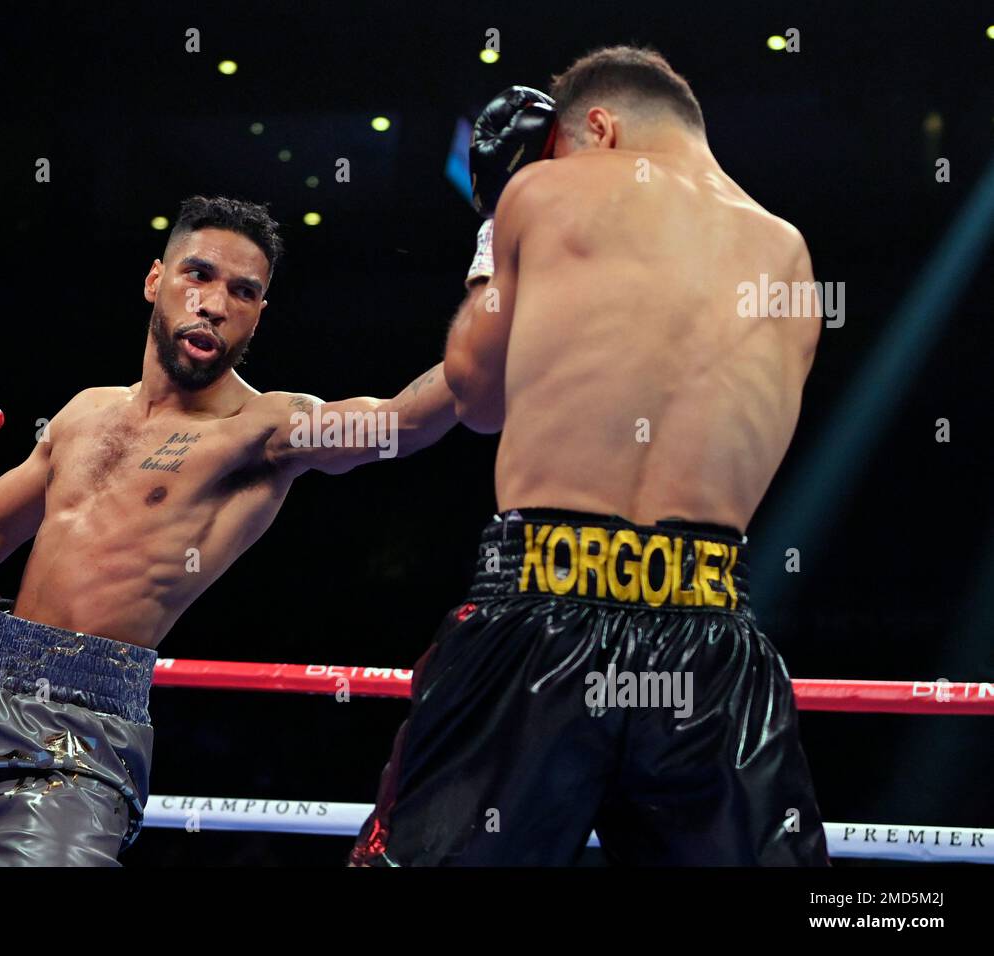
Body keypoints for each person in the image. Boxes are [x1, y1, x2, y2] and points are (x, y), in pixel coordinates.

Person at [0, 195, 459, 866]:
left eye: (243, 290)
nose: (214, 303)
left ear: (259, 313)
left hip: (77, 744)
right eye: (197, 274)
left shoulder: (264, 429)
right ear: (156, 280)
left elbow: (401, 423)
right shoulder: (85, 413)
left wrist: (504, 278)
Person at [351, 47, 830, 866]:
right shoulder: (788, 257)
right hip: (708, 639)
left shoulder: (543, 189)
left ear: (597, 128)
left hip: (541, 609)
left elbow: (475, 394)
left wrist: (494, 218)